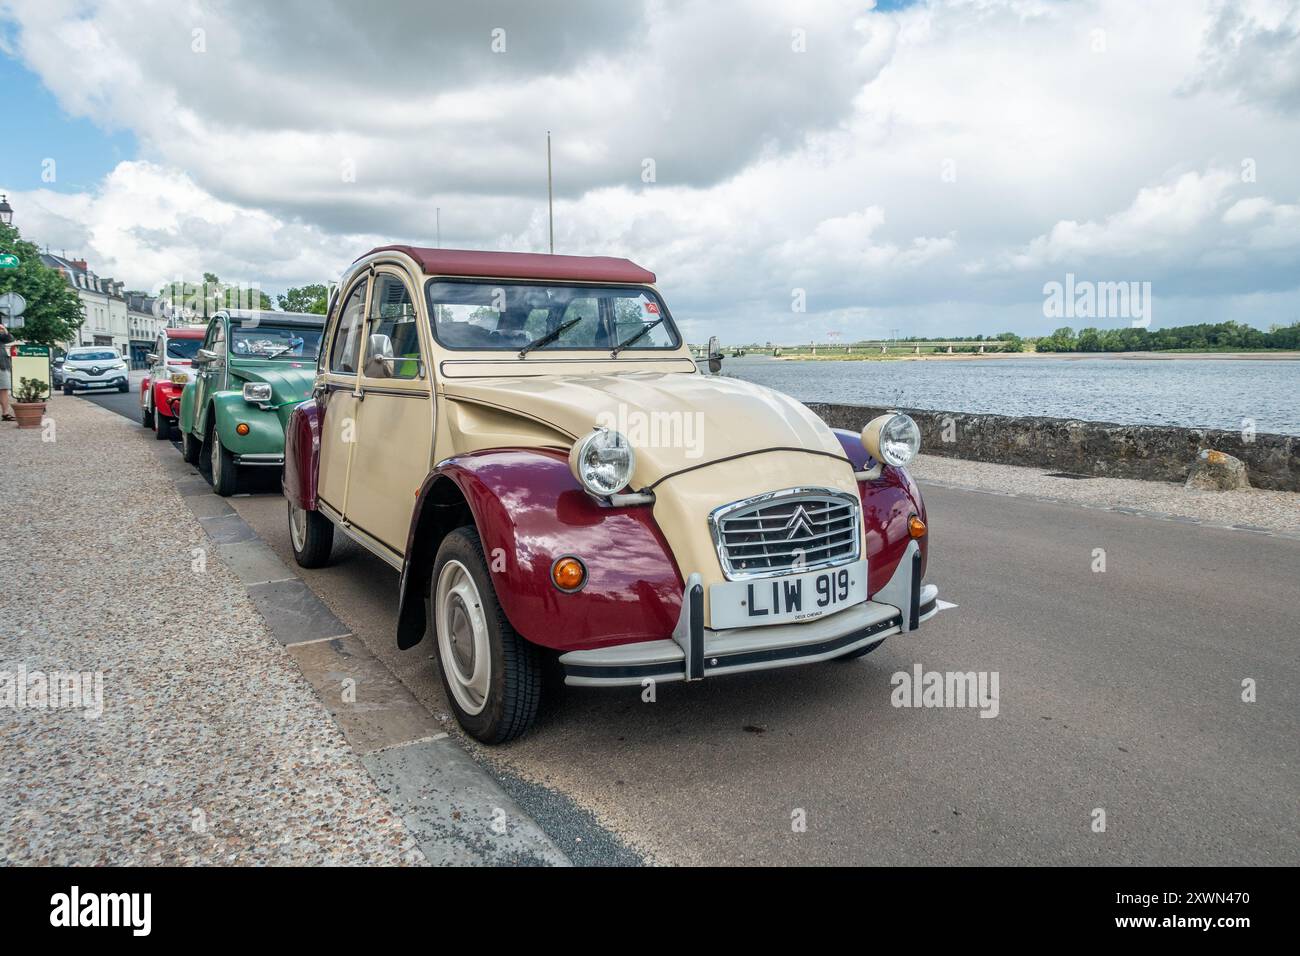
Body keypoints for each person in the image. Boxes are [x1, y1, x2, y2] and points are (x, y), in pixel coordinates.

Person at [0, 322, 14, 422]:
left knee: (4, 389)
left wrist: (4, 329)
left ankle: (5, 413)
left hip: (1, 364)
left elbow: (9, 339)